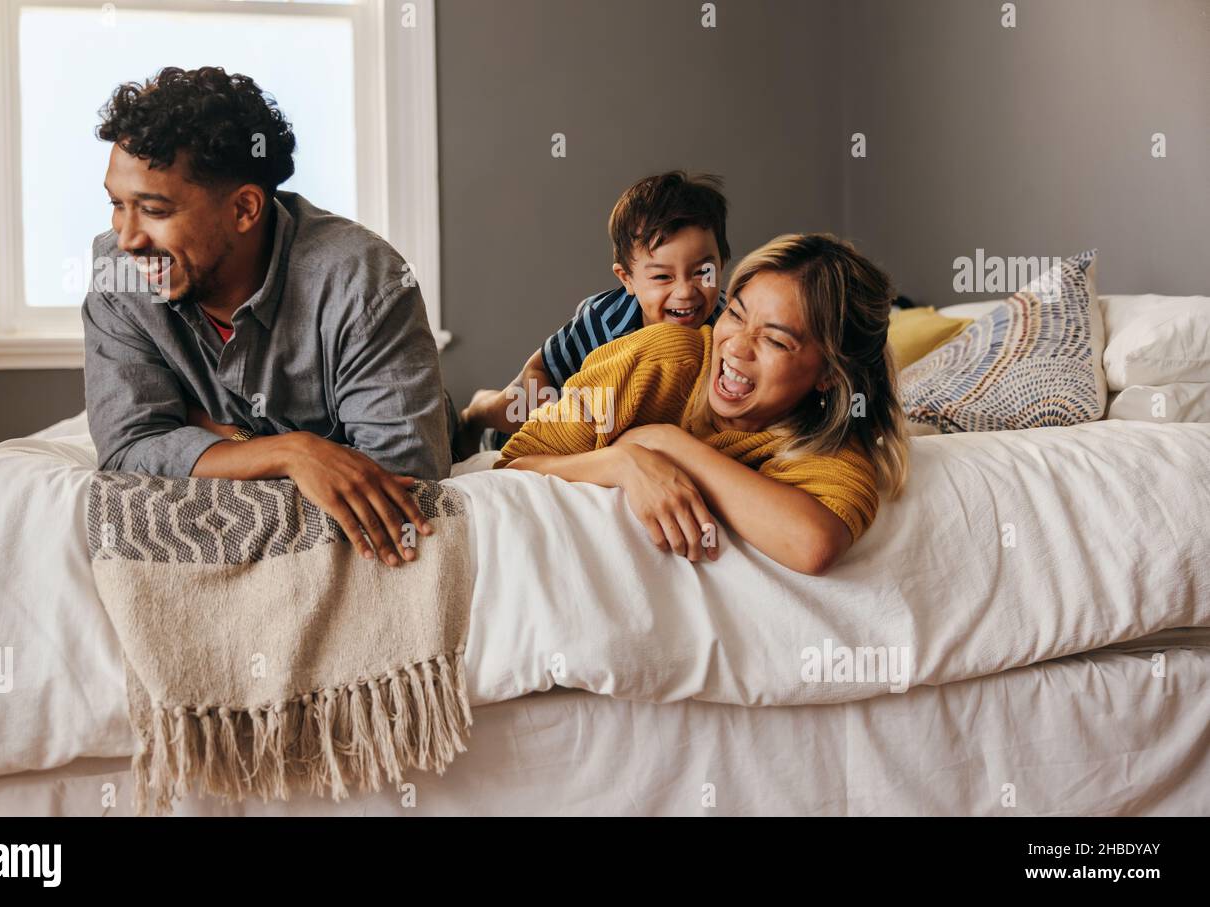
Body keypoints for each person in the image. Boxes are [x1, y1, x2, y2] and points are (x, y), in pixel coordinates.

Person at [82, 66, 450, 567]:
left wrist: (202, 432)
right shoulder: (118, 273)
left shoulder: (363, 280)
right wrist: (290, 452)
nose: (128, 237)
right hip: (300, 431)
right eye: (116, 205)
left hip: (416, 403)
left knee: (453, 422)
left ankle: (473, 417)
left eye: (154, 210)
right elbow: (129, 448)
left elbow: (404, 477)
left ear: (245, 209)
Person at [495, 234, 910, 576]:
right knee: (494, 412)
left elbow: (812, 545)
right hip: (533, 412)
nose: (736, 347)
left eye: (776, 340)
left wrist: (669, 444)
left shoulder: (825, 445)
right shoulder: (662, 356)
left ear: (830, 375)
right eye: (735, 313)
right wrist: (624, 462)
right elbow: (514, 467)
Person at [457, 171, 730, 454]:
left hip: (634, 415)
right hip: (563, 404)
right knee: (515, 407)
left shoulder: (730, 322)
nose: (685, 291)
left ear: (722, 264)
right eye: (663, 277)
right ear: (627, 279)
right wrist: (555, 419)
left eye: (702, 272)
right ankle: (475, 414)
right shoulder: (604, 320)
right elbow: (538, 368)